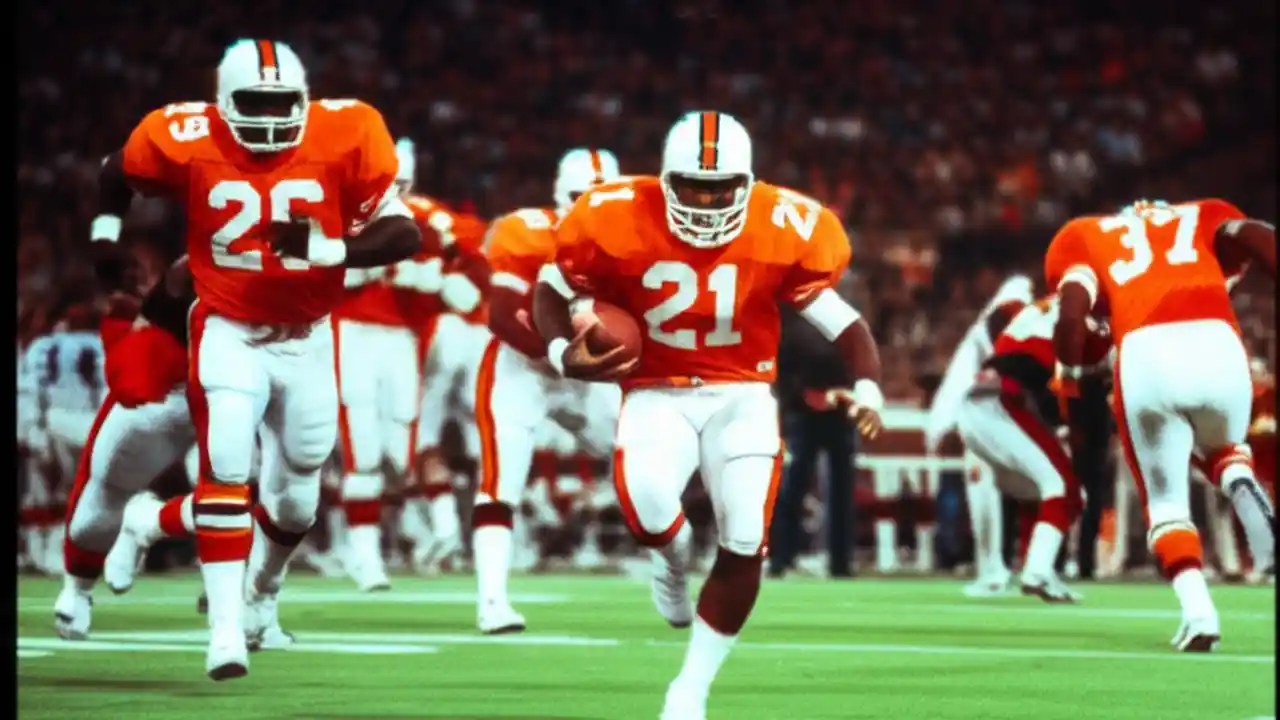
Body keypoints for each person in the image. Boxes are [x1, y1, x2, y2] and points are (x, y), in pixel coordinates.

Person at [86, 38, 420, 680]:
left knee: (296, 501)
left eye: (281, 103)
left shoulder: (348, 129)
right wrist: (106, 238)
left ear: (304, 99)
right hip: (227, 326)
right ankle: (225, 632)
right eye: (254, 103)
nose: (268, 118)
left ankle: (254, 591)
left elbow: (403, 233)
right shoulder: (183, 133)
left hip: (308, 335)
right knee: (227, 469)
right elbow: (113, 172)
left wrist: (327, 245)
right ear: (223, 101)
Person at [533, 111, 883, 720]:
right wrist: (562, 351)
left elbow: (844, 323)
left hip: (741, 393)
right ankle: (671, 562)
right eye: (693, 185)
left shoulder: (784, 225)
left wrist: (871, 386)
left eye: (721, 188)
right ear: (666, 180)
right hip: (654, 390)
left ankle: (688, 690)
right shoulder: (613, 215)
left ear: (748, 184)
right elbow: (550, 289)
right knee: (648, 514)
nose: (707, 201)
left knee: (747, 533)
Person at [1047, 198, 1275, 651]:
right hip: (1218, 340)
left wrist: (1071, 381)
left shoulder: (1087, 236)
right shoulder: (1202, 214)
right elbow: (1258, 235)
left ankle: (1199, 612)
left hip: (1147, 348)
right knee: (1225, 447)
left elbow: (1071, 319)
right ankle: (1236, 474)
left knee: (1167, 501)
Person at [470, 148, 622, 633]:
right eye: (580, 198)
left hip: (589, 373)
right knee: (501, 483)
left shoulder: (635, 240)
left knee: (642, 457)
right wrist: (557, 352)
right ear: (561, 196)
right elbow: (500, 314)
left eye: (600, 198)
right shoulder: (527, 232)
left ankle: (672, 566)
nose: (588, 210)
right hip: (522, 367)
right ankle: (491, 600)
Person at [330, 137, 487, 590]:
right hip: (352, 334)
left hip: (402, 341)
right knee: (361, 451)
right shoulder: (345, 211)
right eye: (387, 181)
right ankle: (364, 556)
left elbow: (474, 271)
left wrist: (442, 284)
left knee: (403, 450)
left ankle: (434, 532)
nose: (394, 191)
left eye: (401, 182)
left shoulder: (428, 220)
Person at [926, 275, 1033, 595]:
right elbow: (959, 386)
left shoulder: (1028, 338)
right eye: (1009, 308)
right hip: (979, 430)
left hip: (1015, 431)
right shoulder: (980, 341)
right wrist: (947, 427)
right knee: (982, 488)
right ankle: (991, 568)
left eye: (1020, 308)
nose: (1014, 314)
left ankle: (1036, 567)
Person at [769, 271, 859, 578]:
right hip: (803, 412)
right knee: (793, 487)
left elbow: (858, 363)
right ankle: (781, 558)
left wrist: (846, 396)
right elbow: (779, 367)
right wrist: (800, 396)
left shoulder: (848, 322)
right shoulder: (793, 321)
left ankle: (841, 563)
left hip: (840, 411)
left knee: (842, 490)